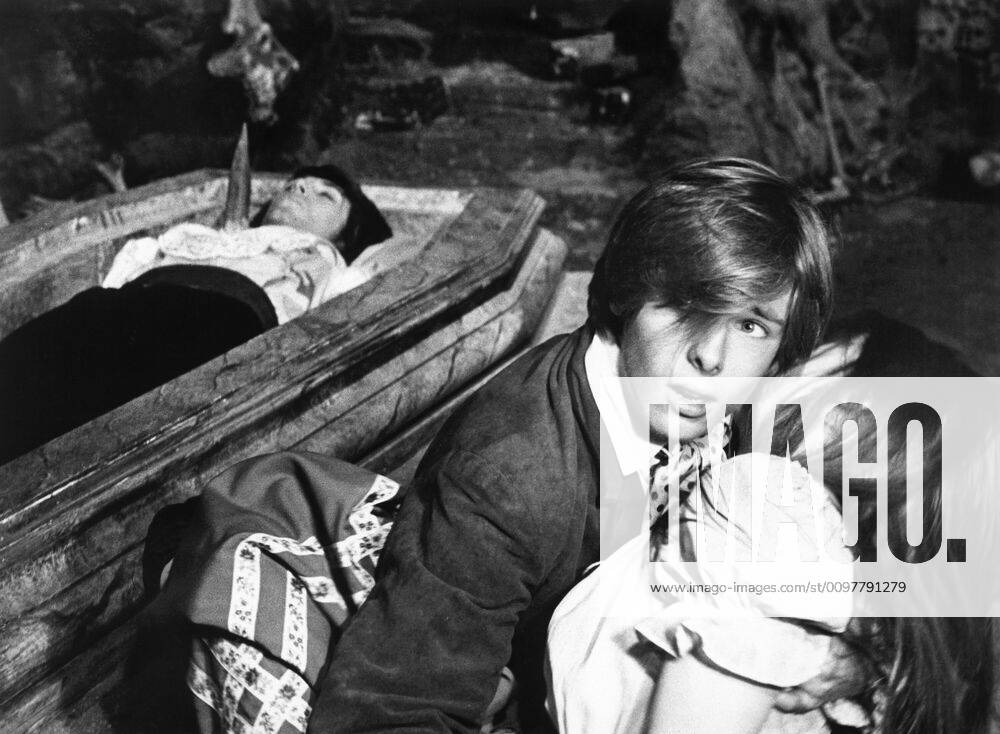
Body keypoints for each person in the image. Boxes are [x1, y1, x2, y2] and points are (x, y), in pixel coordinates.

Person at [0, 164, 392, 464]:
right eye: (293, 185)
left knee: (88, 410)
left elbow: (368, 289)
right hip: (126, 302)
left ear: (346, 234)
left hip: (219, 318)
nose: (300, 188)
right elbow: (129, 268)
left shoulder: (332, 263)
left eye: (326, 196)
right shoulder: (211, 236)